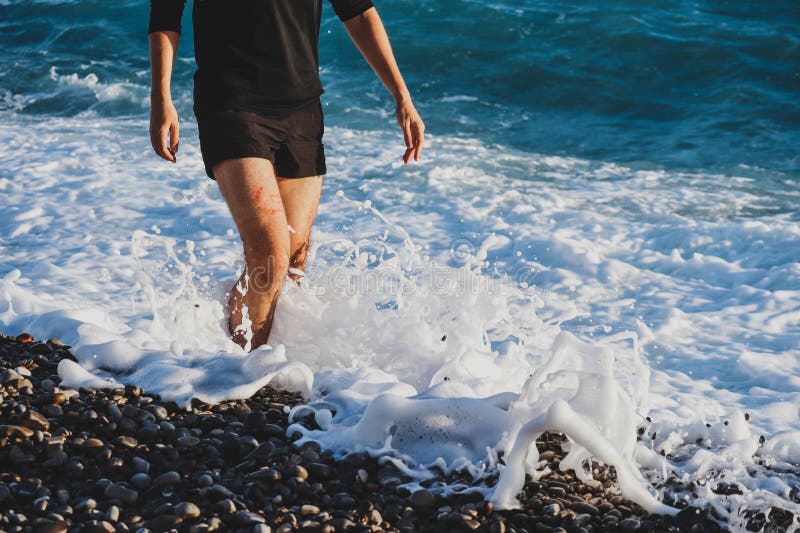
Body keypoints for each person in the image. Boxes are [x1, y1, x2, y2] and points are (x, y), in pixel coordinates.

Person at [148, 0, 425, 351]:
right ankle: (241, 367)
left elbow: (360, 14)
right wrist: (162, 98)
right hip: (231, 102)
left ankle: (262, 356)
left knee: (293, 260)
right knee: (270, 253)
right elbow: (165, 16)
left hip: (301, 108)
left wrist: (402, 96)